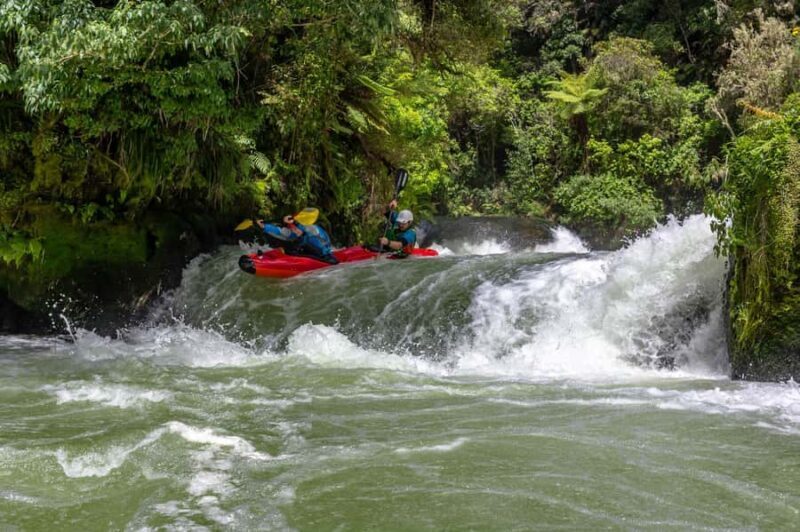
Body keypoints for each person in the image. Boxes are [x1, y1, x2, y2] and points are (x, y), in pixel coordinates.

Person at [257, 215, 338, 264]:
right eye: (289, 226)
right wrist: (264, 226)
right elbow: (279, 231)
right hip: (312, 252)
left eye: (292, 226)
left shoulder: (311, 227)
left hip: (324, 255)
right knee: (289, 248)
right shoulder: (292, 232)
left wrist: (296, 223)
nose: (292, 229)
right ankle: (268, 258)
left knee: (298, 245)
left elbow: (307, 231)